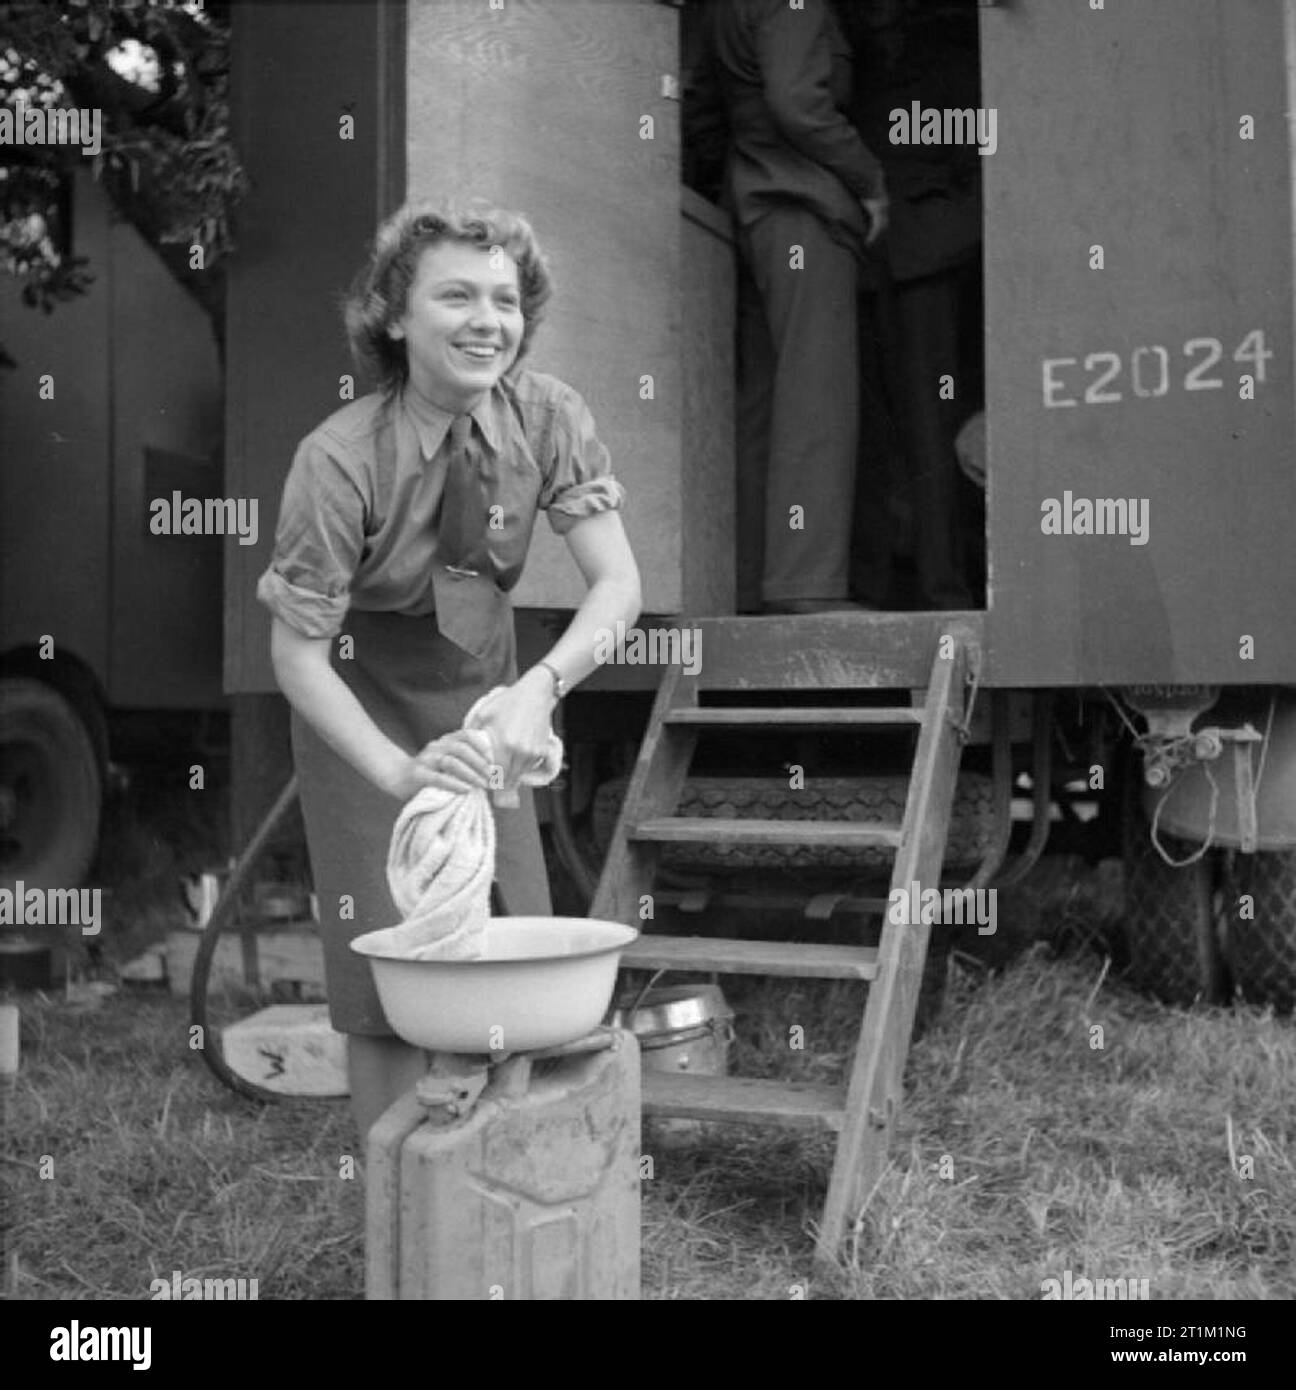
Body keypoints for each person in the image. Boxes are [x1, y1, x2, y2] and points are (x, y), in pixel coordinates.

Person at [257, 202, 641, 1137]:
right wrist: (397, 771)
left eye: (505, 300)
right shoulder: (338, 460)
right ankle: (398, 1196)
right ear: (395, 315)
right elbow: (297, 654)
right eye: (456, 295)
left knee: (509, 926)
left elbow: (618, 585)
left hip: (491, 683)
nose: (488, 320)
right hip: (362, 693)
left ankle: (510, 1170)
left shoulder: (548, 416)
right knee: (387, 943)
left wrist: (538, 692)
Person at [706, 0, 889, 615]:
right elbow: (798, 104)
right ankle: (806, 586)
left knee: (768, 400)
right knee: (816, 394)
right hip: (801, 205)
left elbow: (707, 108)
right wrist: (870, 179)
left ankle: (758, 582)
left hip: (754, 204)